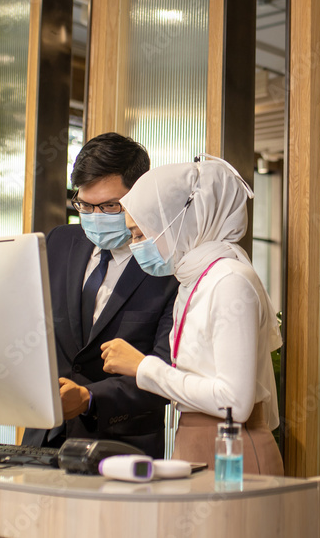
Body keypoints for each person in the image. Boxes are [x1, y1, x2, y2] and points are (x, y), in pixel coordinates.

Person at [100, 156, 284, 476]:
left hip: (233, 451)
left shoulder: (229, 281)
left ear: (178, 223)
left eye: (141, 234)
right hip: (198, 443)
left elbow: (234, 404)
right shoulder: (194, 280)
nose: (135, 246)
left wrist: (144, 367)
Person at [22, 133, 177, 457]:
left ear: (140, 197)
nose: (95, 216)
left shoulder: (167, 264)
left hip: (121, 448)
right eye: (85, 205)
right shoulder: (59, 242)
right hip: (43, 439)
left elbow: (165, 371)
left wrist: (90, 398)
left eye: (110, 205)